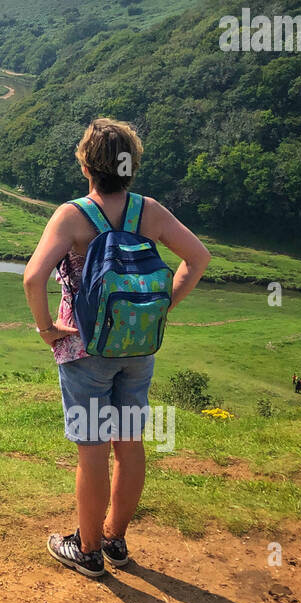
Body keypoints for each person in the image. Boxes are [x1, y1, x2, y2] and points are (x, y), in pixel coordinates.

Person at [24, 118, 211, 578]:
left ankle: (86, 552)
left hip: (85, 352)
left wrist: (48, 328)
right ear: (131, 166)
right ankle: (114, 540)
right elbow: (198, 258)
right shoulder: (149, 211)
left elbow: (33, 277)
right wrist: (161, 307)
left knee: (92, 450)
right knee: (129, 444)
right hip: (138, 348)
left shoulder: (72, 215)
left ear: (87, 165)